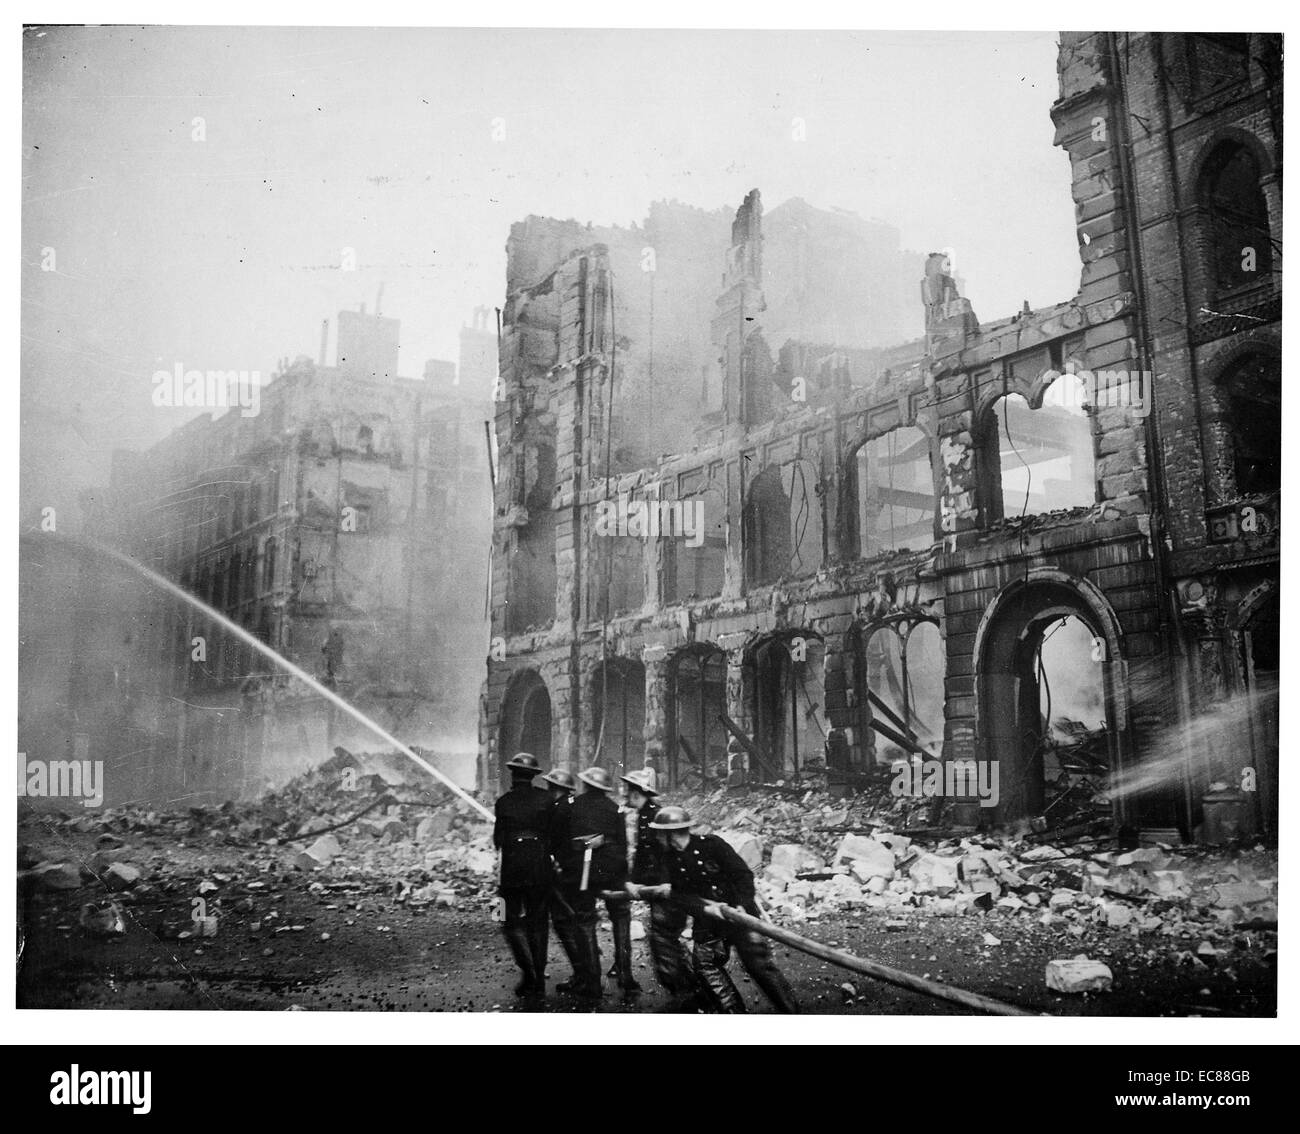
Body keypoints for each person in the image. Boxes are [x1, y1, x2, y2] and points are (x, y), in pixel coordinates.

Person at [636, 805, 798, 1014]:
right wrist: (706, 910)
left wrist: (740, 905)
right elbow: (681, 897)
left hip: (740, 914)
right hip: (710, 920)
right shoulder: (670, 859)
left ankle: (791, 1013)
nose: (657, 837)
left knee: (758, 964)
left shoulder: (713, 846)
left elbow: (743, 875)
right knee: (704, 964)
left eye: (660, 832)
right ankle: (732, 1012)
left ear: (671, 834)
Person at [620, 769, 696, 1007]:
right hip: (658, 883)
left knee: (663, 937)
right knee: (665, 937)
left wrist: (665, 882)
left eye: (628, 790)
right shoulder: (646, 814)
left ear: (637, 792)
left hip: (667, 885)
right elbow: (644, 855)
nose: (625, 794)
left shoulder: (656, 816)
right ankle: (688, 987)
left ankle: (684, 990)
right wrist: (635, 881)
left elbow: (665, 853)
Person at [558, 766, 632, 999]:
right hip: (613, 871)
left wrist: (566, 865)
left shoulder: (572, 806)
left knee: (584, 920)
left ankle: (592, 982)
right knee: (621, 915)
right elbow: (623, 844)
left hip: (582, 872)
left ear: (586, 784)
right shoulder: (616, 808)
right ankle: (625, 974)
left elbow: (562, 842)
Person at [492, 753, 554, 999]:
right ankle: (538, 976)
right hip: (540, 870)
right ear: (534, 775)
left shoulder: (503, 802)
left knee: (507, 920)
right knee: (538, 923)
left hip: (511, 874)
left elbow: (498, 841)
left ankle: (528, 972)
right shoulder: (546, 799)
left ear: (513, 775)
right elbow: (553, 835)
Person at [541, 767, 586, 992]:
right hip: (580, 871)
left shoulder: (557, 810)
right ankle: (586, 969)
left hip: (563, 872)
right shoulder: (577, 806)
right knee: (577, 920)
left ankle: (581, 973)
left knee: (563, 922)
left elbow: (550, 841)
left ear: (555, 788)